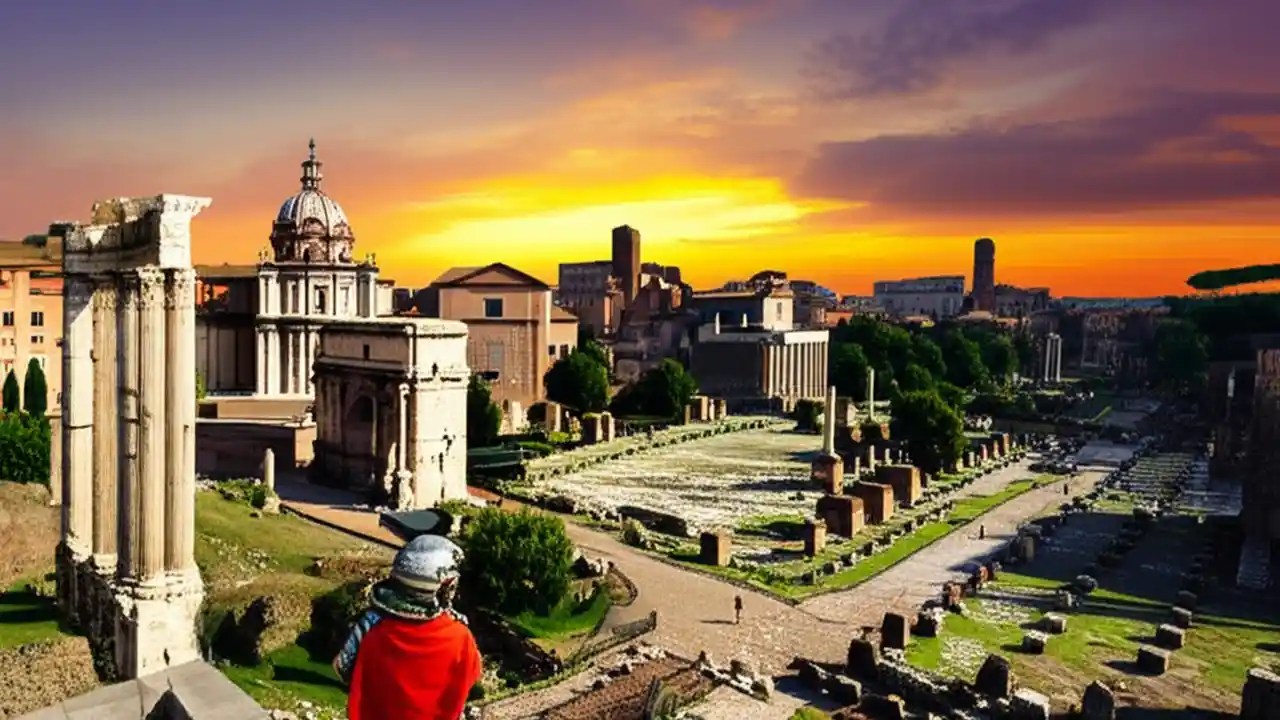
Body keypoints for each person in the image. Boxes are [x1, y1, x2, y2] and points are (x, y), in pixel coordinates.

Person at [334, 534, 482, 720]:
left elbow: (342, 665)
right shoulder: (461, 637)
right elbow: (472, 677)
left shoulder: (372, 622)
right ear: (445, 585)